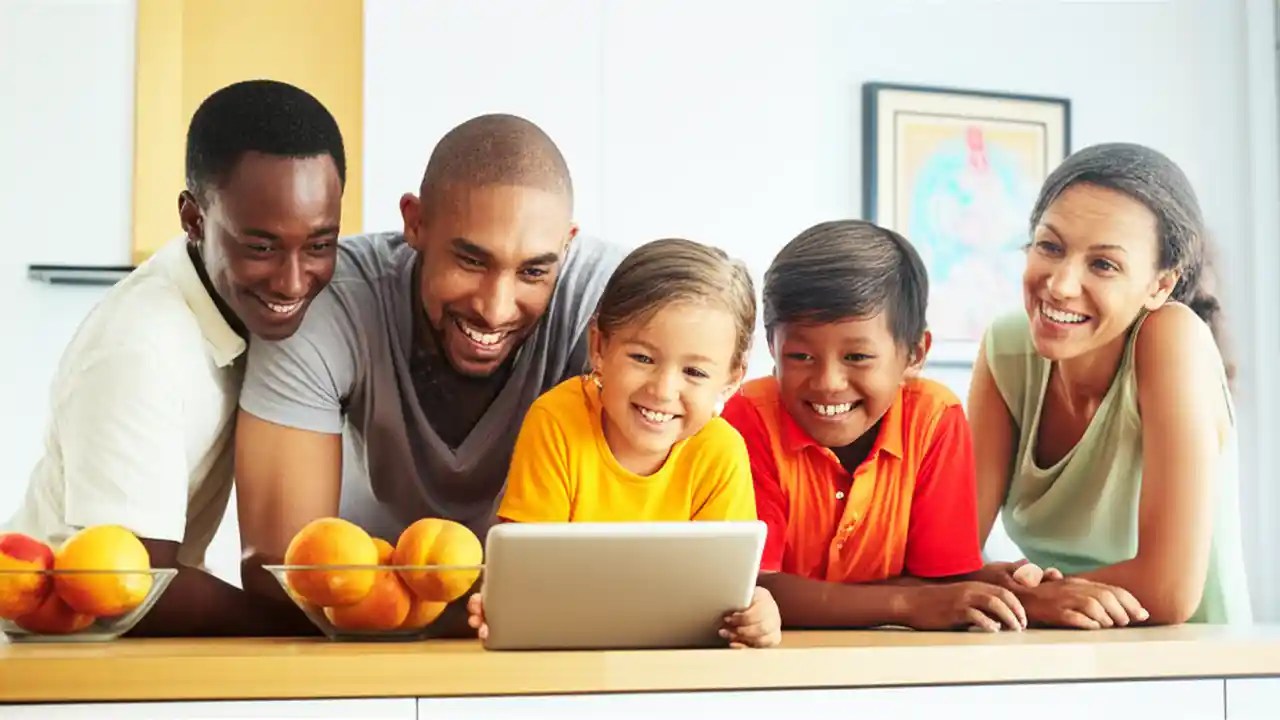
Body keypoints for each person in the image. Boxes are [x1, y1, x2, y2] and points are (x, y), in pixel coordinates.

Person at [234, 114, 626, 634]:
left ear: (568, 243)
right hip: (363, 639)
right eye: (470, 261)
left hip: (543, 646)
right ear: (415, 222)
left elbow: (639, 559)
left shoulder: (614, 306)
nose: (495, 308)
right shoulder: (328, 299)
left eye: (533, 271)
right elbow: (283, 575)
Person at [4, 79, 347, 636]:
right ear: (194, 219)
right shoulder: (140, 347)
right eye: (260, 246)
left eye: (319, 244)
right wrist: (306, 632)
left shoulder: (241, 304)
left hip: (115, 645)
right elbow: (137, 585)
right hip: (56, 651)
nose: (293, 280)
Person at [968, 142, 1250, 627]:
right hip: (1058, 665)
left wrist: (1022, 599)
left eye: (1103, 265)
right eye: (1050, 246)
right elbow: (947, 559)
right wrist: (1030, 601)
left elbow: (1168, 591)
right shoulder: (1007, 349)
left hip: (1197, 675)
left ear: (1160, 286)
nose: (1059, 284)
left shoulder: (1171, 337)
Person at [721, 219, 1035, 633]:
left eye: (857, 358)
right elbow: (750, 588)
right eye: (800, 356)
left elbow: (942, 582)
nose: (828, 382)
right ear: (772, 349)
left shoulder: (934, 420)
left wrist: (1020, 590)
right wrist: (907, 601)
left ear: (914, 354)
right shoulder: (749, 417)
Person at [467, 238, 782, 648]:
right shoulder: (557, 422)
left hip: (675, 670)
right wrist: (508, 602)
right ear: (599, 346)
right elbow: (528, 578)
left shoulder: (721, 451)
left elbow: (723, 598)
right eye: (643, 359)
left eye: (695, 372)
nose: (664, 390)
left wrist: (757, 610)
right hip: (559, 661)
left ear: (732, 379)